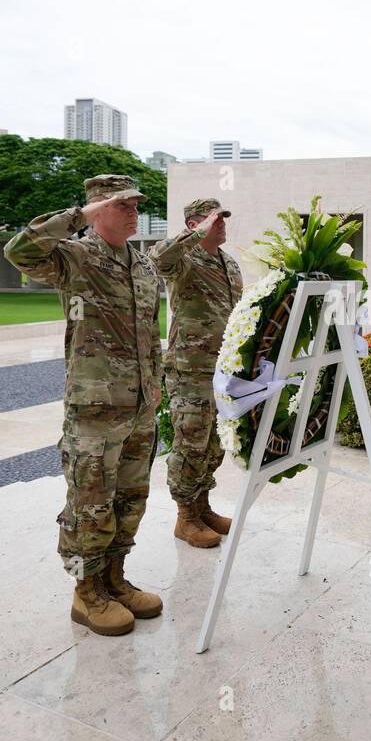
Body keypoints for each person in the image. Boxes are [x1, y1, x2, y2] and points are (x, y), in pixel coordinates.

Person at [3, 174, 164, 636]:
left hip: (138, 406)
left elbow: (152, 331)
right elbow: (20, 252)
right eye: (124, 205)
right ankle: (86, 591)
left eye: (137, 205)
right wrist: (76, 219)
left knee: (131, 498)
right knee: (90, 500)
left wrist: (156, 384)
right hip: (95, 407)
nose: (135, 212)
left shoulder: (144, 265)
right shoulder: (75, 257)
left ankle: (114, 578)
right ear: (97, 210)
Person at [150, 198, 243, 547]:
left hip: (223, 369)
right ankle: (185, 517)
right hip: (190, 368)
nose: (222, 224)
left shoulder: (229, 262)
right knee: (190, 441)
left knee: (215, 442)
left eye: (224, 218)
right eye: (214, 220)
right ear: (193, 225)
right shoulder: (183, 260)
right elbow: (158, 258)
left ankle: (202, 506)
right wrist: (194, 235)